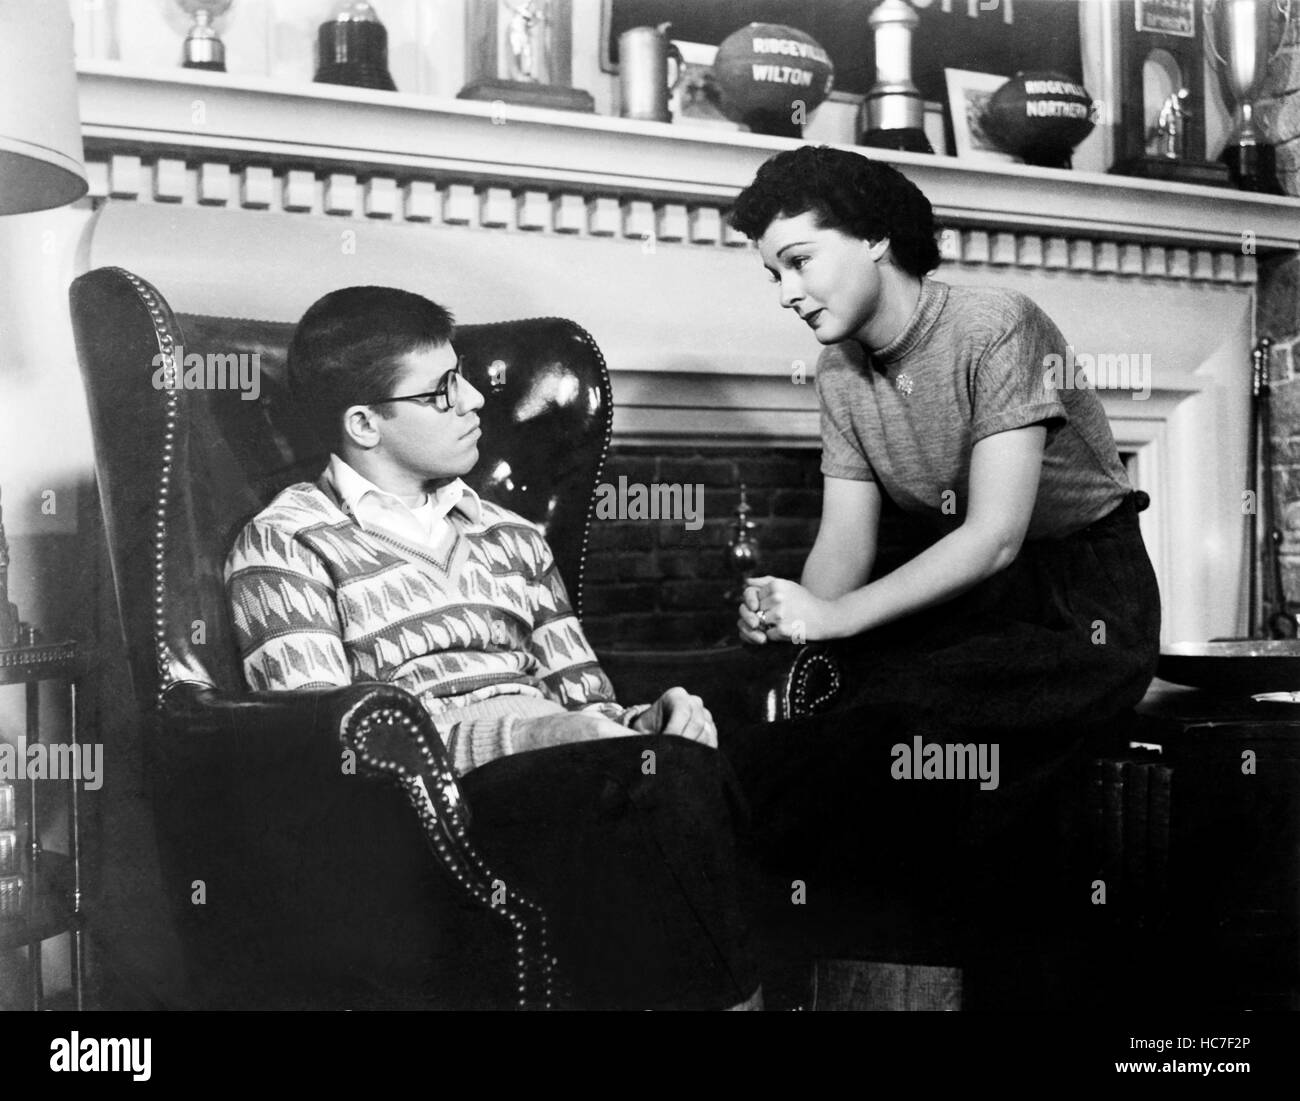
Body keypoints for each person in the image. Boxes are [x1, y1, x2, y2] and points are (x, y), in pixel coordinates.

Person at [224, 286, 759, 1011]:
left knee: (740, 764)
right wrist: (533, 733)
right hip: (439, 816)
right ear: (364, 422)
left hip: (577, 778)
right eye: (444, 391)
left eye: (464, 376)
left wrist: (648, 722)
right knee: (660, 790)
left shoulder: (511, 535)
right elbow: (330, 754)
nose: (476, 399)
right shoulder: (286, 542)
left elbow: (585, 705)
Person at [722, 146, 1162, 1006]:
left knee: (906, 725)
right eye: (773, 273)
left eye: (800, 260)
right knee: (819, 736)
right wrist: (789, 613)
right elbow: (843, 549)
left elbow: (996, 536)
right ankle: (828, 982)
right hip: (966, 605)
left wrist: (837, 621)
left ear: (878, 238)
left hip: (1080, 607)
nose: (787, 293)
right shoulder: (841, 370)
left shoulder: (998, 324)